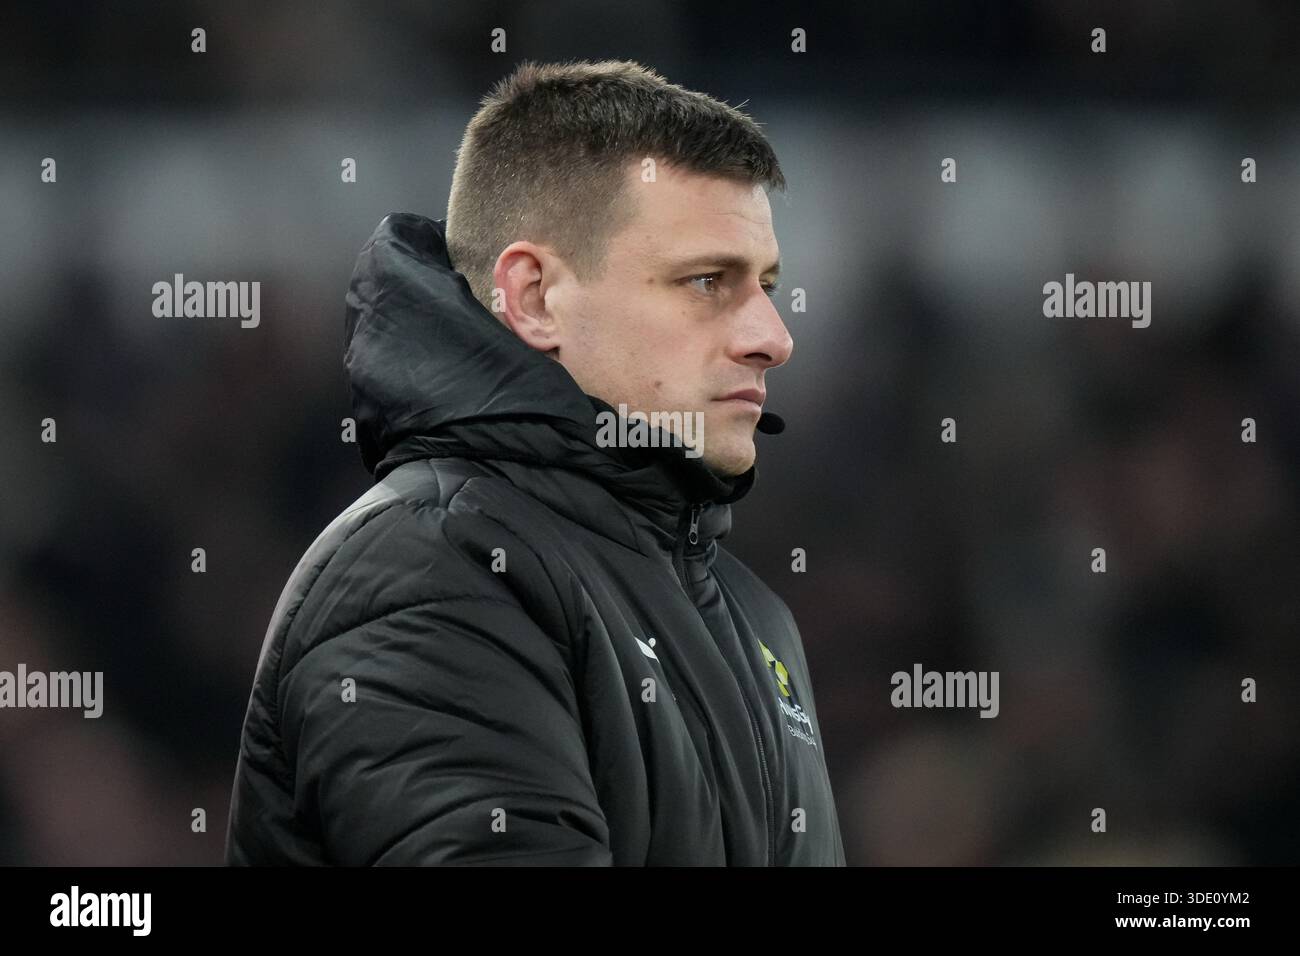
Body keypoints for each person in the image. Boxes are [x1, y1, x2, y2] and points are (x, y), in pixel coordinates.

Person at [226, 59, 845, 865]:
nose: (774, 336)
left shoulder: (753, 619)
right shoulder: (428, 568)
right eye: (706, 281)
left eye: (765, 284)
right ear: (535, 296)